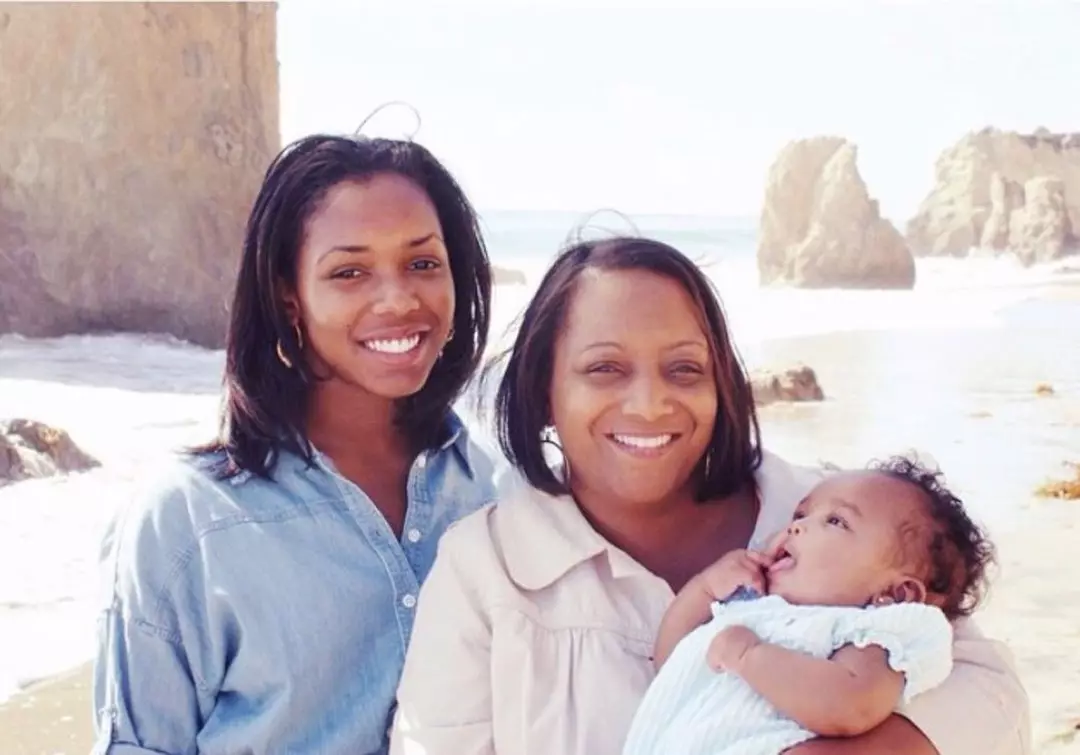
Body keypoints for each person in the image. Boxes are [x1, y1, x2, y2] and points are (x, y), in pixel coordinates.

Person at [389, 236, 1029, 755]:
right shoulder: (486, 568)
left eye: (685, 369)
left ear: (721, 386)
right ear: (542, 392)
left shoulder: (826, 515)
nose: (648, 402)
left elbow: (991, 693)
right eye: (604, 368)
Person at [92, 134, 496, 755]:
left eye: (422, 263)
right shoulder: (188, 520)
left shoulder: (498, 493)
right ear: (290, 298)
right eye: (349, 272)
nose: (397, 299)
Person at [622, 455, 994, 754]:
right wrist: (705, 589)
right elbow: (671, 663)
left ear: (897, 594)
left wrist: (751, 657)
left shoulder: (872, 630)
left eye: (835, 521)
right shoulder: (751, 606)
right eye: (800, 515)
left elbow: (851, 705)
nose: (797, 527)